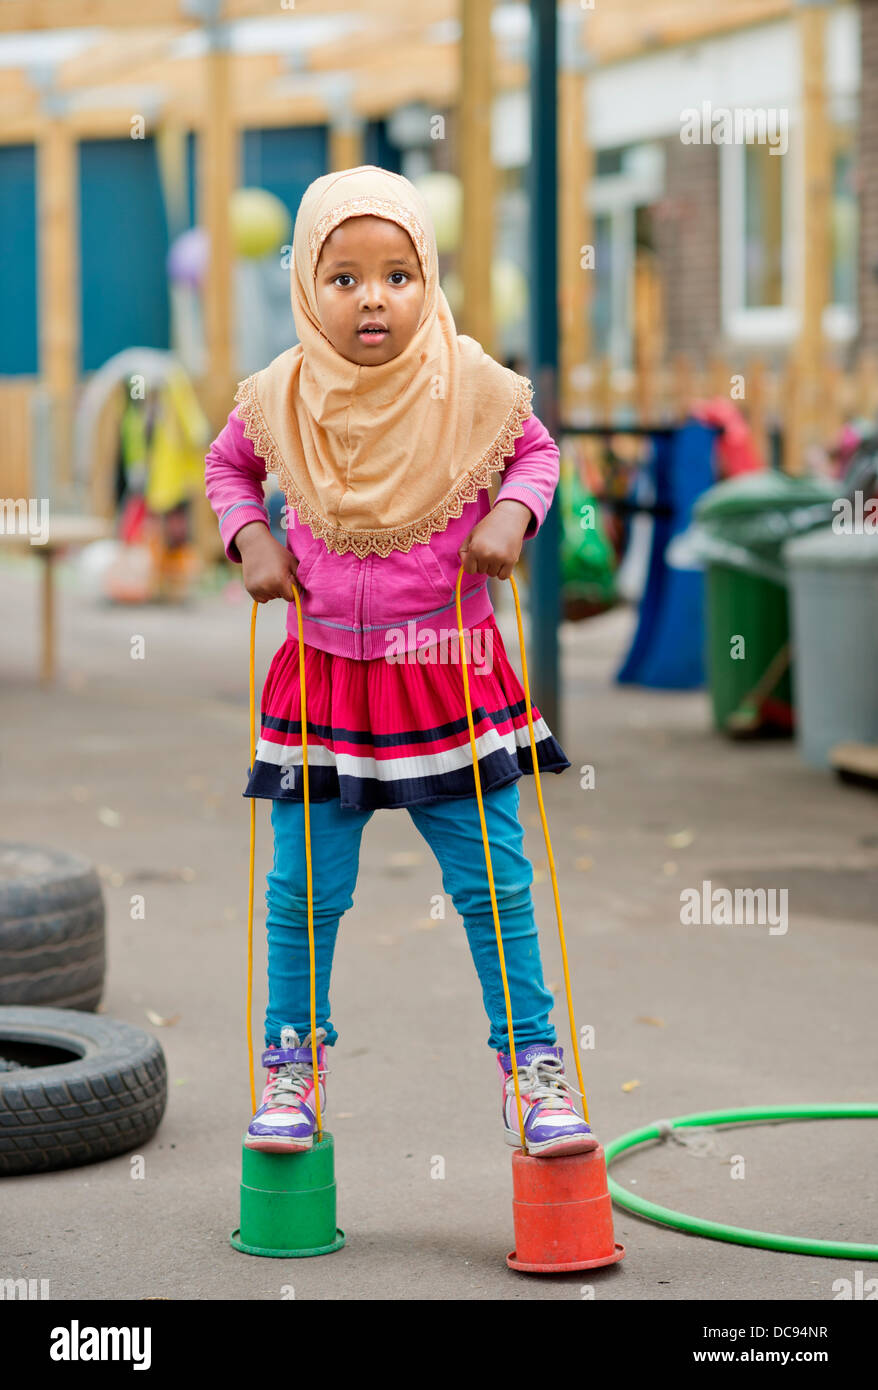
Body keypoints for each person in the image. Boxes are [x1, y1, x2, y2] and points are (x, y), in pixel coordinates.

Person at [204, 165, 598, 1161]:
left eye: (395, 274)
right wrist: (249, 538)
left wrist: (513, 513)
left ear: (428, 281)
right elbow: (227, 467)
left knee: (494, 884)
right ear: (305, 288)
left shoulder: (471, 385)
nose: (371, 296)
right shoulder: (279, 395)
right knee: (302, 890)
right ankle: (291, 1064)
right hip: (324, 680)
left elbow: (535, 453)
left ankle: (534, 1068)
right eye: (342, 278)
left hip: (450, 676)